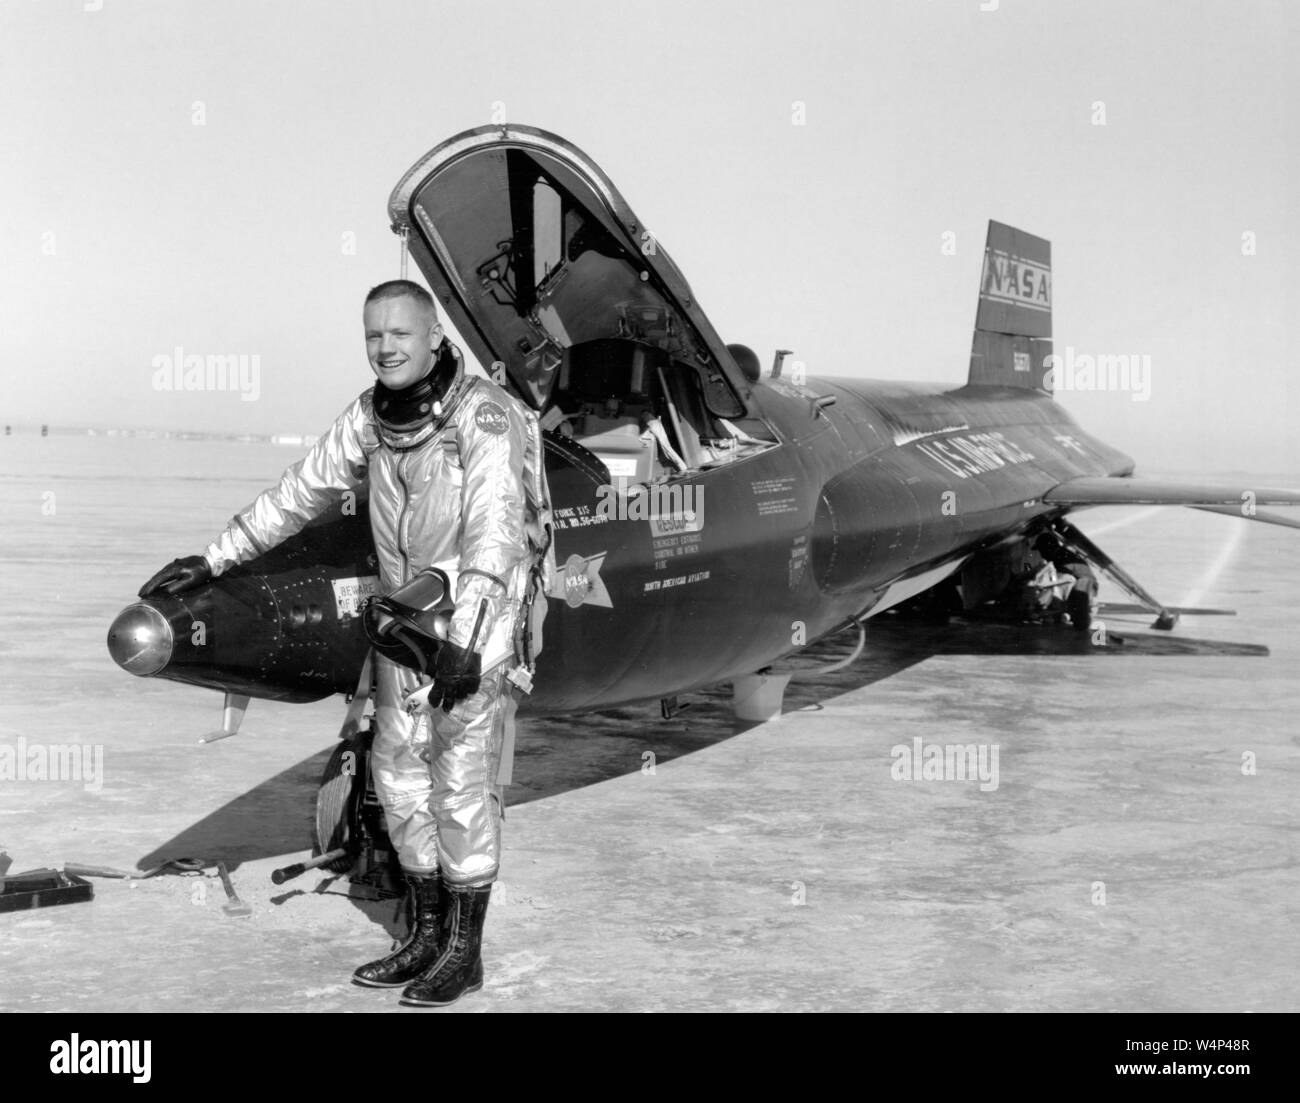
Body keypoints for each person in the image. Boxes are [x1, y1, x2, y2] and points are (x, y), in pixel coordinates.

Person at [139, 280, 551, 1007]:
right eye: (373, 336)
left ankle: (465, 949)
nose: (386, 347)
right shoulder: (372, 415)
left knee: (458, 784)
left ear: (431, 337)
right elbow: (301, 490)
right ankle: (423, 933)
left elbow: (494, 531)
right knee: (397, 775)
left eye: (399, 333)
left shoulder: (480, 416)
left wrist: (472, 638)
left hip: (470, 622)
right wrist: (214, 557)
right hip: (404, 622)